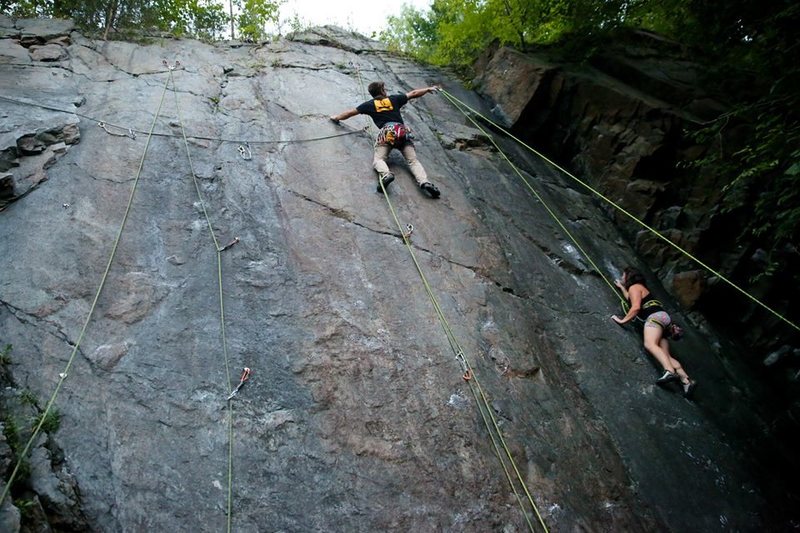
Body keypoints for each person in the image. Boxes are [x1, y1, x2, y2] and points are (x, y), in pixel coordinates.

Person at [330, 80, 441, 198]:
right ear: (382, 91)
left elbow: (350, 113)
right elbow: (413, 93)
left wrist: (336, 117)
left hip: (387, 134)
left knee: (379, 159)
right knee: (413, 161)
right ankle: (424, 182)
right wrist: (428, 89)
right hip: (402, 132)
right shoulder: (394, 99)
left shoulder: (368, 105)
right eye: (384, 89)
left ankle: (386, 174)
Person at [611, 266, 697, 398]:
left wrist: (622, 321)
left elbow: (635, 307)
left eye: (623, 275)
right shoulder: (639, 288)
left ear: (629, 276)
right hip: (663, 319)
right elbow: (631, 298)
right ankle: (686, 380)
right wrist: (622, 288)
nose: (622, 277)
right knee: (665, 354)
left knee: (650, 344)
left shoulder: (634, 287)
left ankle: (669, 371)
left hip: (654, 317)